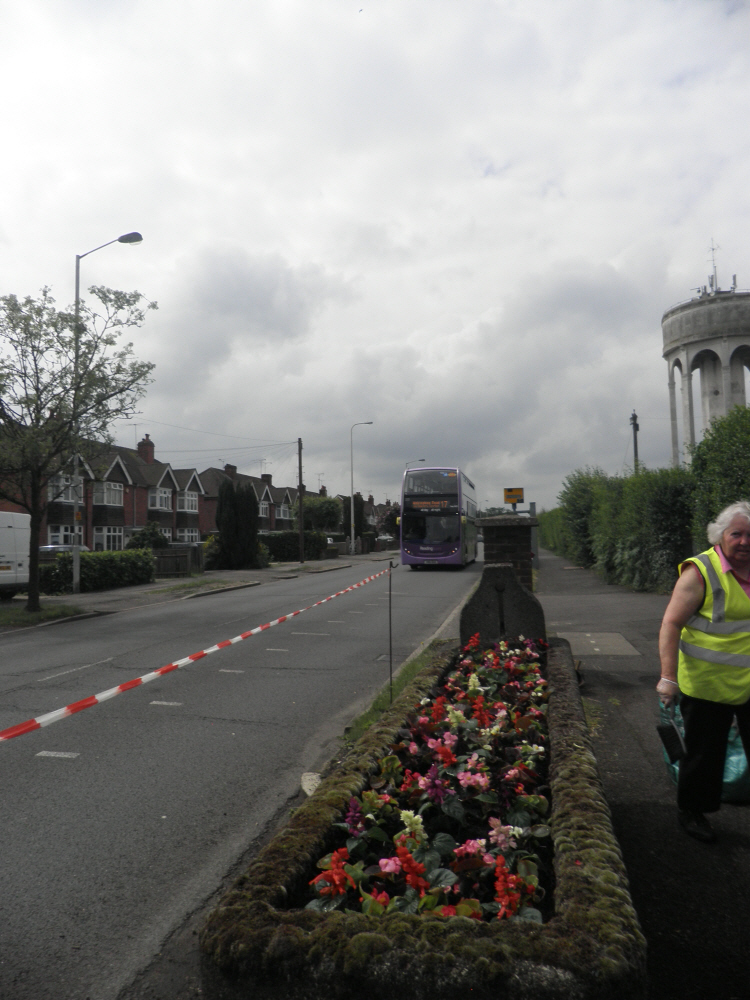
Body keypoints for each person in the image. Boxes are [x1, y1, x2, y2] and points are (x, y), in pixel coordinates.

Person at [657, 500, 750, 843]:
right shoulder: (700, 571)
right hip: (707, 683)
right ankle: (693, 812)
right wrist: (668, 677)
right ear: (720, 536)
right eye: (736, 534)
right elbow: (671, 624)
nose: (744, 542)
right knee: (703, 755)